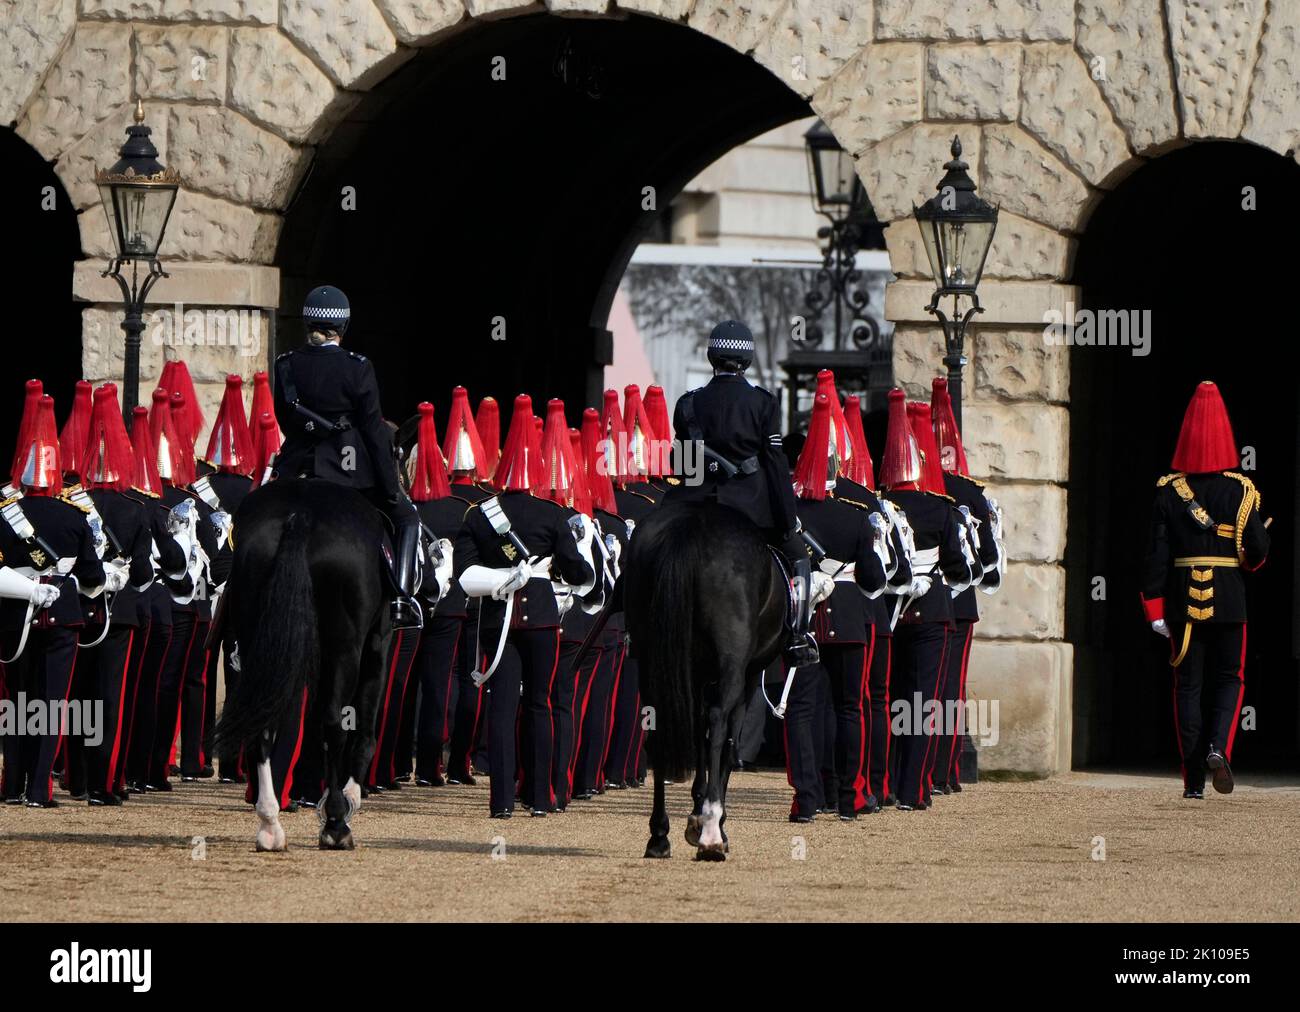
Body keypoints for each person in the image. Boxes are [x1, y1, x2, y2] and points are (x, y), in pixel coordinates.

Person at [453, 394, 598, 818]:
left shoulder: (480, 515)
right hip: (540, 619)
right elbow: (575, 571)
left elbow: (464, 574)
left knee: (501, 706)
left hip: (497, 617)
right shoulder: (552, 515)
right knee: (540, 703)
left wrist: (502, 578)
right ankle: (539, 797)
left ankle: (500, 802)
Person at [1142, 381, 1268, 799]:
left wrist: (1155, 607)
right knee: (1230, 677)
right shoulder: (1241, 490)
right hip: (1229, 597)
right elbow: (1255, 552)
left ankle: (1193, 779)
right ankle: (1219, 747)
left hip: (1180, 598)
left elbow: (1156, 554)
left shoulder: (1168, 492)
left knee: (1188, 685)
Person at [665, 320, 817, 666]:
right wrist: (787, 520)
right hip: (751, 511)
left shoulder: (688, 405)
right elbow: (776, 466)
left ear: (711, 357)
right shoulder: (763, 403)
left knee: (649, 543)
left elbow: (685, 467)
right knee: (799, 557)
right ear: (746, 361)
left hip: (696, 504)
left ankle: (634, 627)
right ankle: (796, 634)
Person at [272, 285, 421, 629]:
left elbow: (286, 420)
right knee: (406, 517)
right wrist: (389, 489)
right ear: (344, 326)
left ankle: (233, 610)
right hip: (347, 469)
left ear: (307, 322)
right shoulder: (358, 367)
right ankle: (400, 599)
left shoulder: (286, 364)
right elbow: (372, 431)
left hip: (295, 468)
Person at [784, 389, 890, 822]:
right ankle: (850, 797)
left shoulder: (789, 508)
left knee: (802, 709)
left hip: (802, 616)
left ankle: (806, 800)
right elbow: (874, 578)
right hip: (848, 616)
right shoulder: (856, 510)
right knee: (851, 708)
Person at [0, 394, 110, 807]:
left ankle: (11, 785)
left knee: (17, 702)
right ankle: (39, 788)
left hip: (14, 615)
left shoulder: (5, 515)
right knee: (52, 703)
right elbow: (93, 578)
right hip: (62, 615)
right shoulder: (75, 517)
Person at [879, 389, 973, 811]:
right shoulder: (942, 508)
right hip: (933, 610)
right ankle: (912, 789)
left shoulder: (882, 504)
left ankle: (883, 784)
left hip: (890, 608)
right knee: (923, 702)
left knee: (888, 698)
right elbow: (958, 567)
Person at [930, 378, 1004, 792]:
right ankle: (945, 773)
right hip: (959, 600)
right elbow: (991, 560)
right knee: (950, 688)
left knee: (917, 687)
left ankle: (921, 774)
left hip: (917, 601)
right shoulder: (971, 493)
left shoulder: (910, 492)